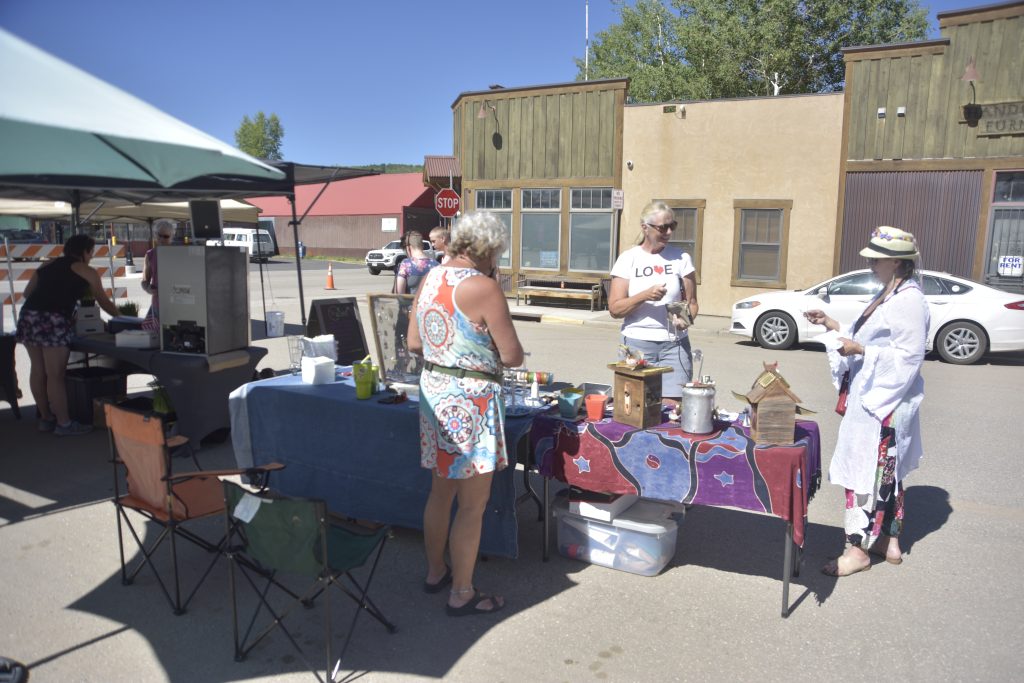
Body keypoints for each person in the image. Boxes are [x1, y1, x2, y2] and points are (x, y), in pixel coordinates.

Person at [407, 211, 524, 617]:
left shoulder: (430, 278)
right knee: (472, 505)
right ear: (487, 249)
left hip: (435, 392)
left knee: (440, 494)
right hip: (471, 402)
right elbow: (511, 355)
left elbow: (414, 342)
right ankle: (462, 592)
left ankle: (435, 571)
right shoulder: (484, 288)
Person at [805, 225, 929, 577]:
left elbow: (908, 357)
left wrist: (860, 349)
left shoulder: (907, 300)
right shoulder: (891, 292)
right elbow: (876, 339)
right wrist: (832, 324)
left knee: (868, 472)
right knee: (885, 473)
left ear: (896, 262)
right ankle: (889, 540)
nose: (871, 262)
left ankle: (857, 549)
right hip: (877, 399)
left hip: (883, 405)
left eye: (877, 258)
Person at [15, 234, 120, 436]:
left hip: (29, 317)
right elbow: (104, 301)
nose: (91, 257)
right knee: (55, 375)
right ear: (85, 251)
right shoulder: (86, 270)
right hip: (53, 319)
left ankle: (45, 419)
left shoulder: (48, 265)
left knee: (38, 370)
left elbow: (27, 293)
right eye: (91, 252)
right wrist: (123, 318)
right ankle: (64, 424)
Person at [607, 201, 699, 406]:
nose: (668, 232)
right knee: (636, 407)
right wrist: (644, 296)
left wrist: (686, 320)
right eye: (662, 227)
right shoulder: (628, 259)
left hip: (675, 345)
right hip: (637, 344)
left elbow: (691, 303)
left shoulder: (681, 258)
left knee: (673, 409)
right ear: (644, 227)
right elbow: (615, 309)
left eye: (672, 226)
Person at [141, 220, 173, 323]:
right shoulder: (150, 254)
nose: (162, 239)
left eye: (166, 236)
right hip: (158, 303)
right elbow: (144, 281)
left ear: (171, 237)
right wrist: (148, 288)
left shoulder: (179, 253)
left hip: (176, 302)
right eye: (160, 235)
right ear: (155, 235)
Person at [394, 230, 439, 294]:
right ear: (422, 245)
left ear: (408, 248)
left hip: (410, 303)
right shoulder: (436, 265)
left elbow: (399, 293)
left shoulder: (405, 265)